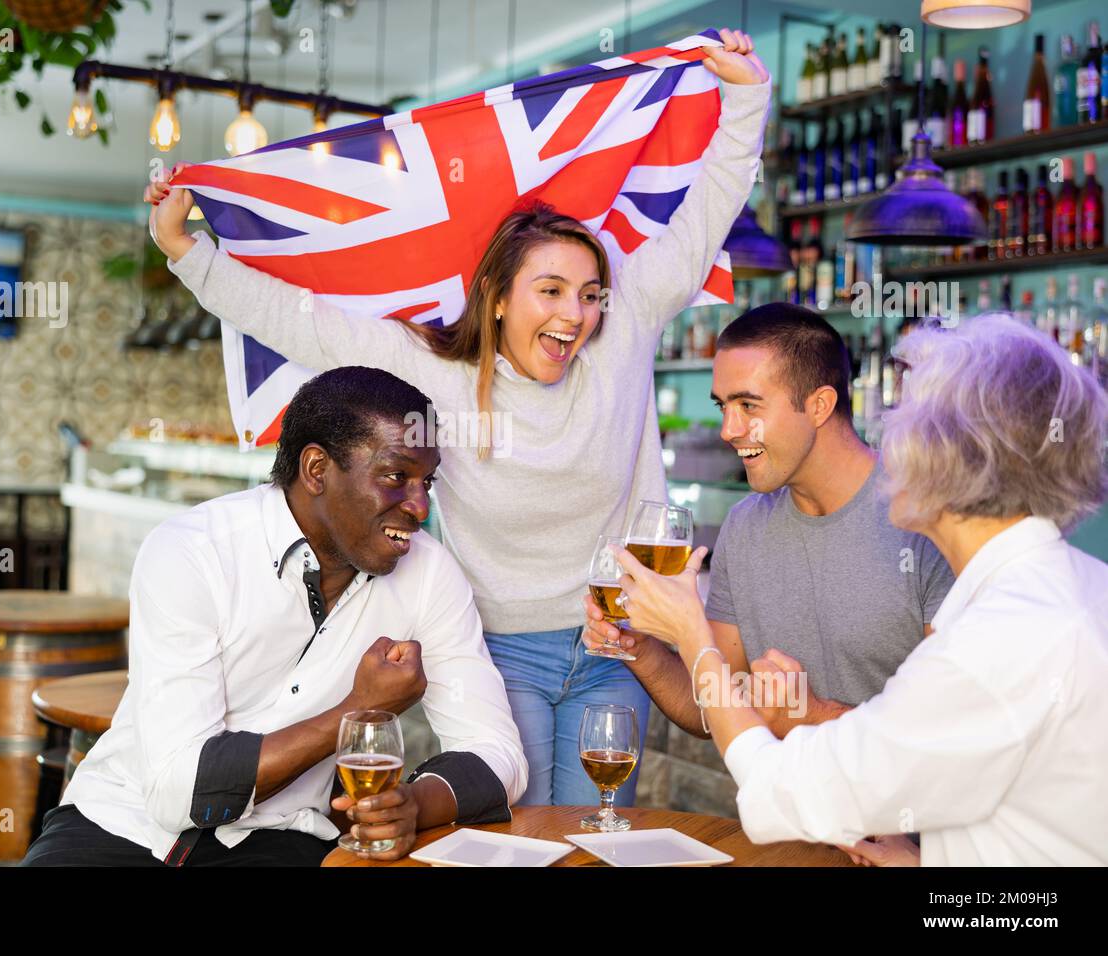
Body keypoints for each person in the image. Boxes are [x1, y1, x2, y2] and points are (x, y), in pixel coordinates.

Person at [144, 30, 772, 806]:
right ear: (500, 297)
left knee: (590, 837)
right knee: (509, 830)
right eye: (550, 290)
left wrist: (746, 97)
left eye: (587, 293)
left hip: (621, 645)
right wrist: (187, 254)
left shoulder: (627, 322)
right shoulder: (435, 372)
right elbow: (304, 322)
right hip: (500, 648)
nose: (574, 313)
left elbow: (707, 211)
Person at [602, 313, 1108, 866]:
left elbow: (786, 789)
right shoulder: (1070, 587)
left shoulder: (996, 639)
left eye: (910, 424)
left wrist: (691, 633)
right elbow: (1014, 829)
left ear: (956, 458)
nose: (891, 440)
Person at [22, 366, 528, 866]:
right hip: (121, 823)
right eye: (397, 476)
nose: (420, 506)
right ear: (316, 470)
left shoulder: (430, 575)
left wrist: (413, 805)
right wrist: (356, 711)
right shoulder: (192, 551)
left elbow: (498, 752)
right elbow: (177, 795)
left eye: (427, 481)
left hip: (281, 836)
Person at [584, 303, 954, 748]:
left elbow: (952, 730)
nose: (728, 429)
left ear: (819, 405)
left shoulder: (929, 520)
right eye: (723, 406)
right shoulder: (744, 527)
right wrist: (638, 648)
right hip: (772, 815)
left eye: (747, 405)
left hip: (898, 817)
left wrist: (811, 716)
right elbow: (711, 709)